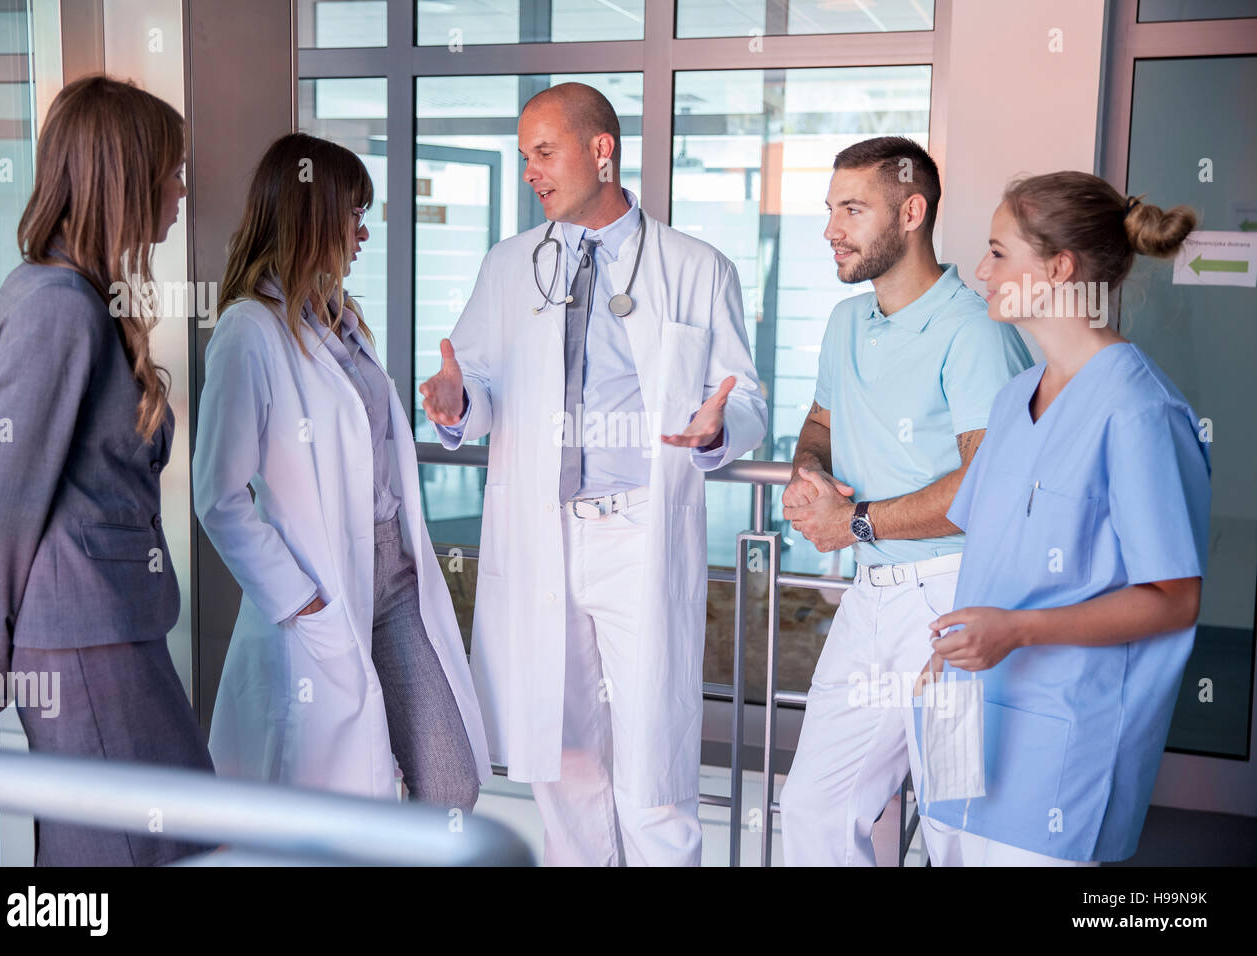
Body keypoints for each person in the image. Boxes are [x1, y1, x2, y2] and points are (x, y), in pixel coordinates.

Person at [420, 82, 767, 866]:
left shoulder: (694, 266)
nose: (530, 174)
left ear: (600, 151)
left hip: (639, 528)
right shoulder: (510, 267)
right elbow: (474, 383)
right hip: (542, 533)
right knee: (563, 758)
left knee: (653, 761)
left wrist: (720, 427)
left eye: (544, 153)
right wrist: (454, 402)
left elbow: (743, 397)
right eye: (523, 159)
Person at [909, 172, 1210, 865]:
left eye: (997, 252)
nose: (980, 271)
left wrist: (1017, 630)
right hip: (967, 730)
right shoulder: (1017, 396)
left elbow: (1174, 599)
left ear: (1058, 269)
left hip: (1062, 748)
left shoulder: (1138, 413)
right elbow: (992, 545)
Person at [0, 74, 214, 865]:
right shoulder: (56, 306)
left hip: (105, 633)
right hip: (79, 645)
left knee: (138, 846)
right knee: (129, 854)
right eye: (170, 170)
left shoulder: (76, 295)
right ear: (124, 178)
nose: (181, 189)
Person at [193, 133, 489, 806]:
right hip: (324, 583)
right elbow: (217, 494)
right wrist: (302, 599)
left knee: (451, 783)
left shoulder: (341, 322)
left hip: (396, 579)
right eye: (353, 214)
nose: (362, 232)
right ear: (312, 217)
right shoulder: (251, 332)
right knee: (332, 797)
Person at [776, 136, 1034, 866]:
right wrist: (809, 473)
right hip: (871, 597)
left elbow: (989, 481)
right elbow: (820, 423)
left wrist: (852, 520)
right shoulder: (844, 323)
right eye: (831, 209)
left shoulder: (973, 326)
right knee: (814, 809)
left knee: (956, 827)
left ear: (912, 211)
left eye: (852, 210)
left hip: (952, 598)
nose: (832, 229)